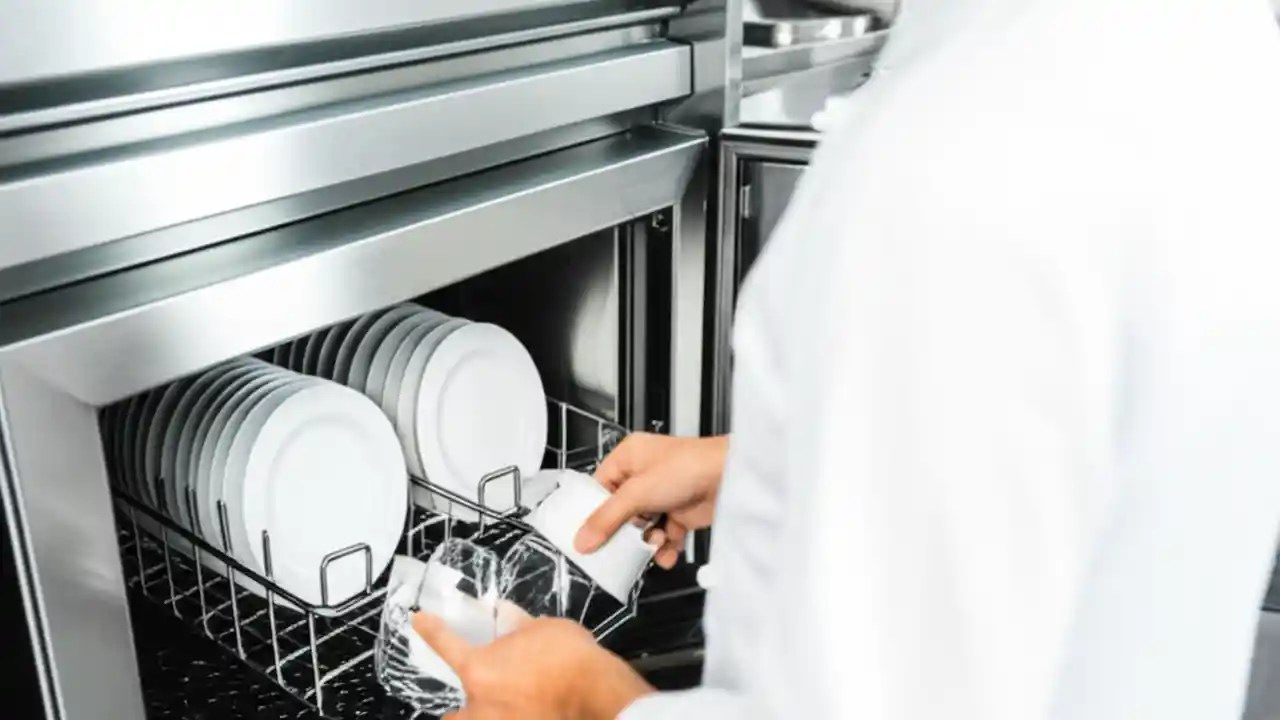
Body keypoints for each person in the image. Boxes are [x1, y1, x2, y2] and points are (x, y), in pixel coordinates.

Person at [414, 0, 1280, 717]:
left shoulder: (956, 168)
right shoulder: (1204, 45)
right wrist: (785, 465)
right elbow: (1065, 460)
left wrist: (585, 697)